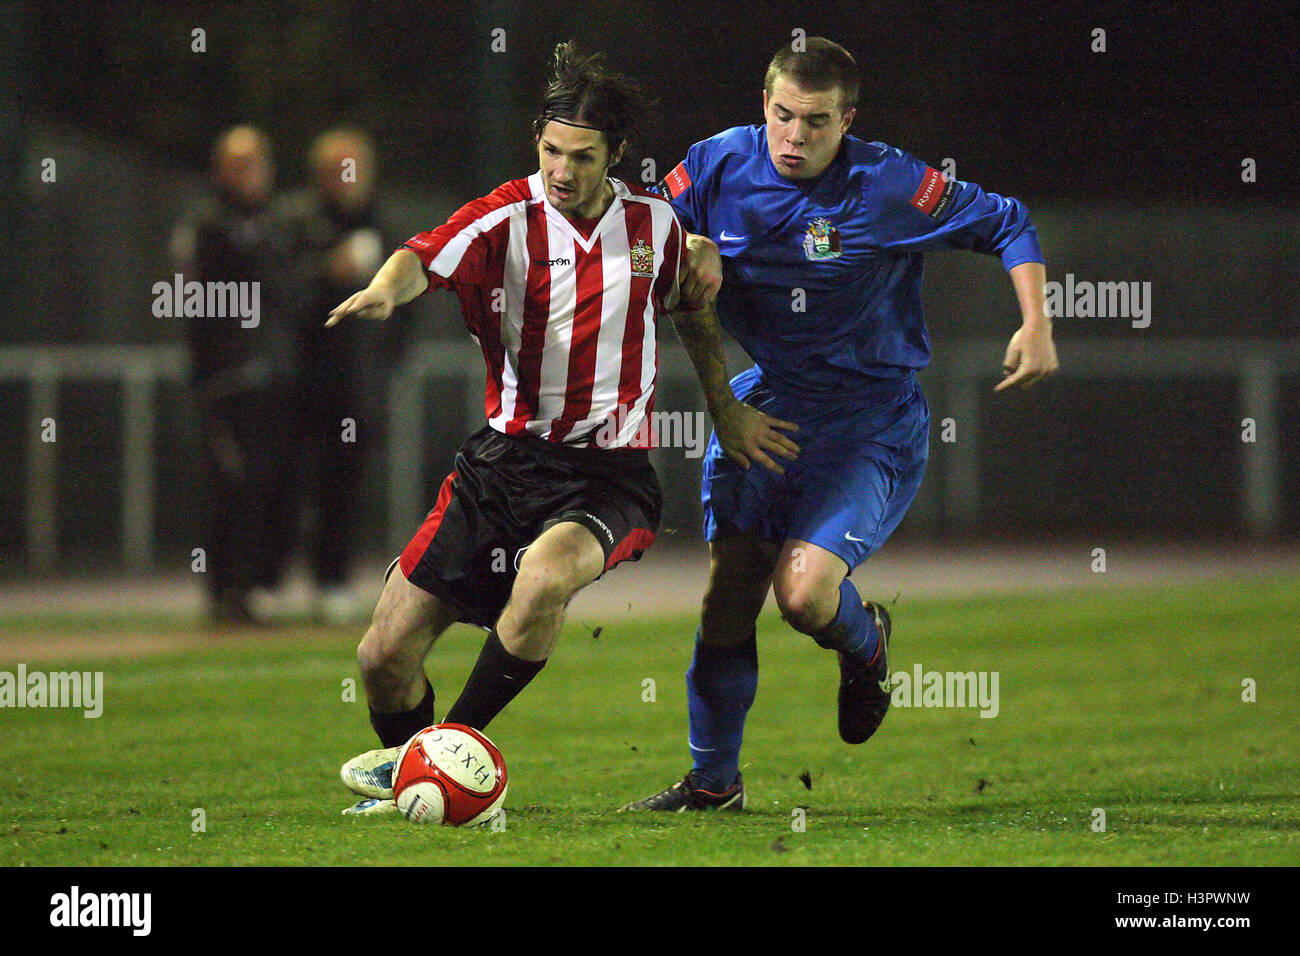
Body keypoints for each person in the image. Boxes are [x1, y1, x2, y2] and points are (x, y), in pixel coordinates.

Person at [326, 43, 792, 816]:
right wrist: (384, 289)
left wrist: (726, 408)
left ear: (614, 157)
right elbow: (421, 258)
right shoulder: (504, 218)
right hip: (501, 467)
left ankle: (441, 757)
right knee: (381, 656)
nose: (563, 170)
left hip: (608, 476)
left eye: (582, 157)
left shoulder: (653, 225)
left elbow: (693, 310)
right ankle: (427, 768)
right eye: (551, 151)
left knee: (543, 579)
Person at [622, 37, 1059, 812]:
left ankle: (867, 645)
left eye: (816, 123)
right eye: (783, 116)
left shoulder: (888, 183)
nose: (794, 137)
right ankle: (712, 783)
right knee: (730, 595)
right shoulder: (719, 163)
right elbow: (640, 231)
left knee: (803, 596)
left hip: (870, 423)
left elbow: (1007, 221)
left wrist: (1037, 322)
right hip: (770, 408)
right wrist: (688, 247)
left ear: (847, 120)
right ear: (764, 105)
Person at [171, 125, 296, 626]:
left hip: (275, 378)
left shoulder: (276, 223)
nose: (250, 174)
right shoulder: (207, 225)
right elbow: (196, 304)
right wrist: (217, 371)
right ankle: (226, 590)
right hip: (229, 383)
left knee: (273, 483)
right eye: (238, 164)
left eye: (256, 163)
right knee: (232, 483)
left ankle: (257, 586)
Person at [273, 127, 394, 623]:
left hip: (359, 383)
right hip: (300, 379)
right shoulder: (294, 221)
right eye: (335, 168)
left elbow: (411, 300)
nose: (346, 179)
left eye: (353, 167)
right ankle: (269, 581)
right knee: (285, 482)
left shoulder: (383, 223)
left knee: (345, 485)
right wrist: (328, 272)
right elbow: (278, 291)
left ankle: (334, 580)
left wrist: (389, 357)